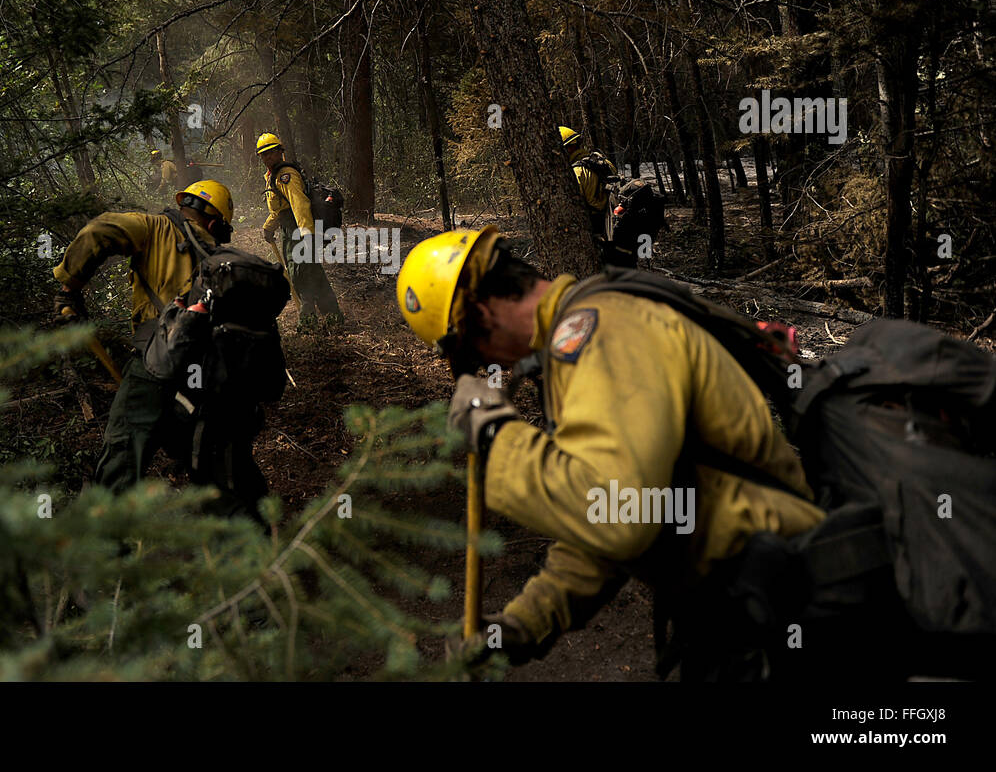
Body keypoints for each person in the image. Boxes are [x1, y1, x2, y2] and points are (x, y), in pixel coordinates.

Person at [394, 226, 830, 678]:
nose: (492, 369)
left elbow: (621, 516)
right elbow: (602, 518)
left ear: (481, 312)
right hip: (745, 608)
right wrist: (521, 627)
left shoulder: (601, 331)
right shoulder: (588, 334)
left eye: (470, 354)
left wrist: (495, 437)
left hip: (788, 613)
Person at [52, 180, 271, 522]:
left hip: (156, 366)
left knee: (124, 451)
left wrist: (70, 286)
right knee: (218, 463)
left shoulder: (155, 227)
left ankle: (109, 551)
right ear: (216, 223)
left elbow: (100, 230)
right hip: (207, 376)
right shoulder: (224, 262)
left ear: (187, 205)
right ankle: (252, 545)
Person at [256, 132, 343, 325]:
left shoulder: (286, 176)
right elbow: (281, 208)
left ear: (280, 152)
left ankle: (309, 324)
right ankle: (333, 317)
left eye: (271, 152)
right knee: (311, 273)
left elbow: (299, 206)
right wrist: (269, 227)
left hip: (299, 231)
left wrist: (307, 236)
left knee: (301, 275)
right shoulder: (273, 175)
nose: (268, 157)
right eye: (264, 154)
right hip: (289, 230)